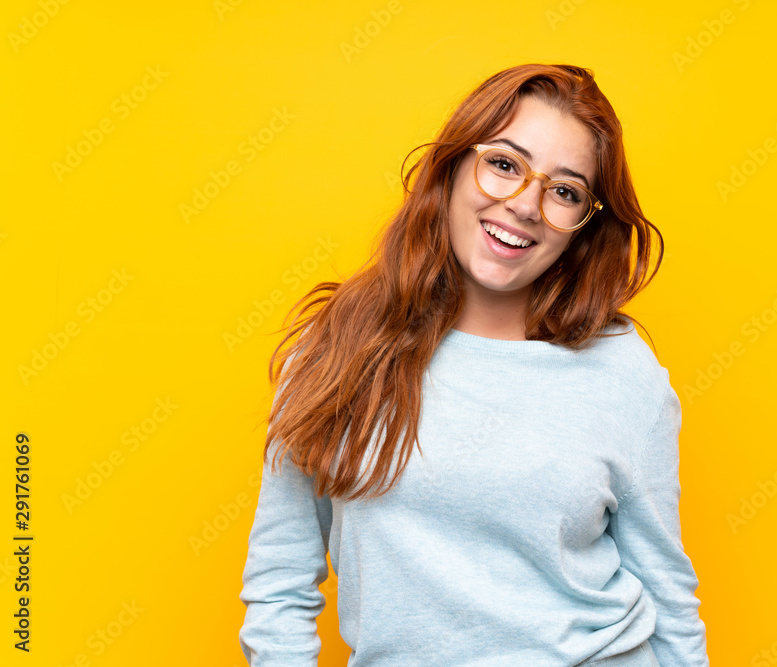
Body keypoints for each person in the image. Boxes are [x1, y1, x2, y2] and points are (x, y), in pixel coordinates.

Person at [238, 63, 709, 666]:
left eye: (565, 191)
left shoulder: (623, 374)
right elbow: (279, 587)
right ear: (454, 165)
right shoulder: (338, 346)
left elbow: (667, 592)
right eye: (505, 164)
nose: (526, 205)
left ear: (584, 226)